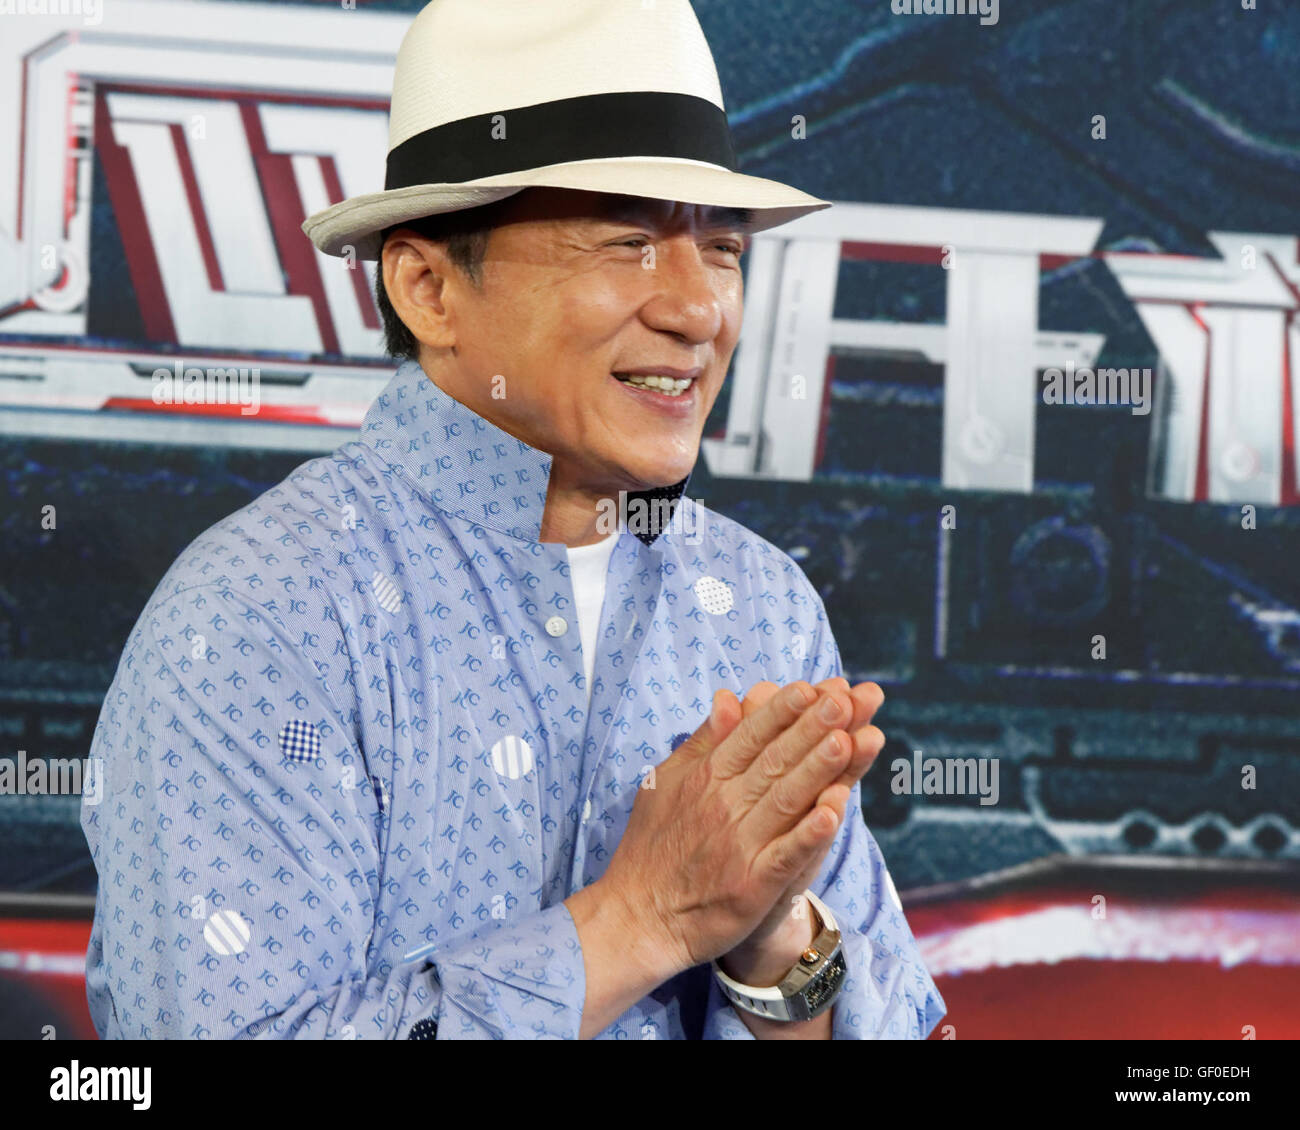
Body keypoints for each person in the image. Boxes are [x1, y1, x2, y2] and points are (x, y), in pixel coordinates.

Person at [81, 0, 945, 1039]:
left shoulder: (759, 604)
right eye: (628, 240)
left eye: (720, 247)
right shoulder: (262, 613)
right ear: (427, 286)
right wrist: (642, 918)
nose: (697, 307)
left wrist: (772, 947)